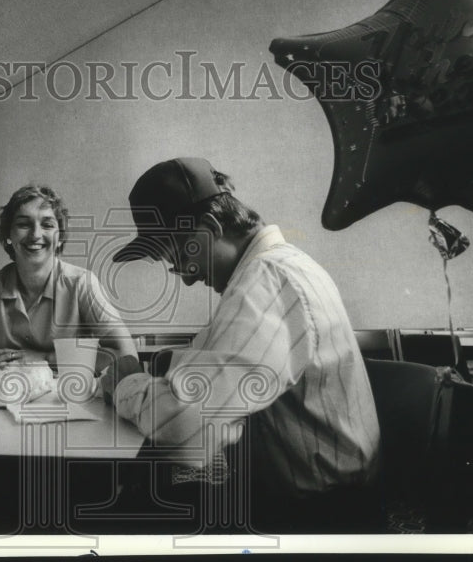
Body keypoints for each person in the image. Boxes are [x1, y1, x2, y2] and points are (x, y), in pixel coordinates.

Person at [102, 157, 381, 533]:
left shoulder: (267, 282)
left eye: (180, 257)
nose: (185, 279)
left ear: (209, 227)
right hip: (307, 498)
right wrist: (171, 373)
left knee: (120, 517)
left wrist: (127, 382)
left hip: (320, 519)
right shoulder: (277, 268)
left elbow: (186, 426)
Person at [0, 184, 137, 376]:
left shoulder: (82, 284)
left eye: (47, 225)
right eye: (24, 224)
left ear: (60, 236)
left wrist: (43, 359)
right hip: (4, 400)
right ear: (9, 235)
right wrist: (11, 365)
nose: (35, 234)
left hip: (72, 404)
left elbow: (127, 358)